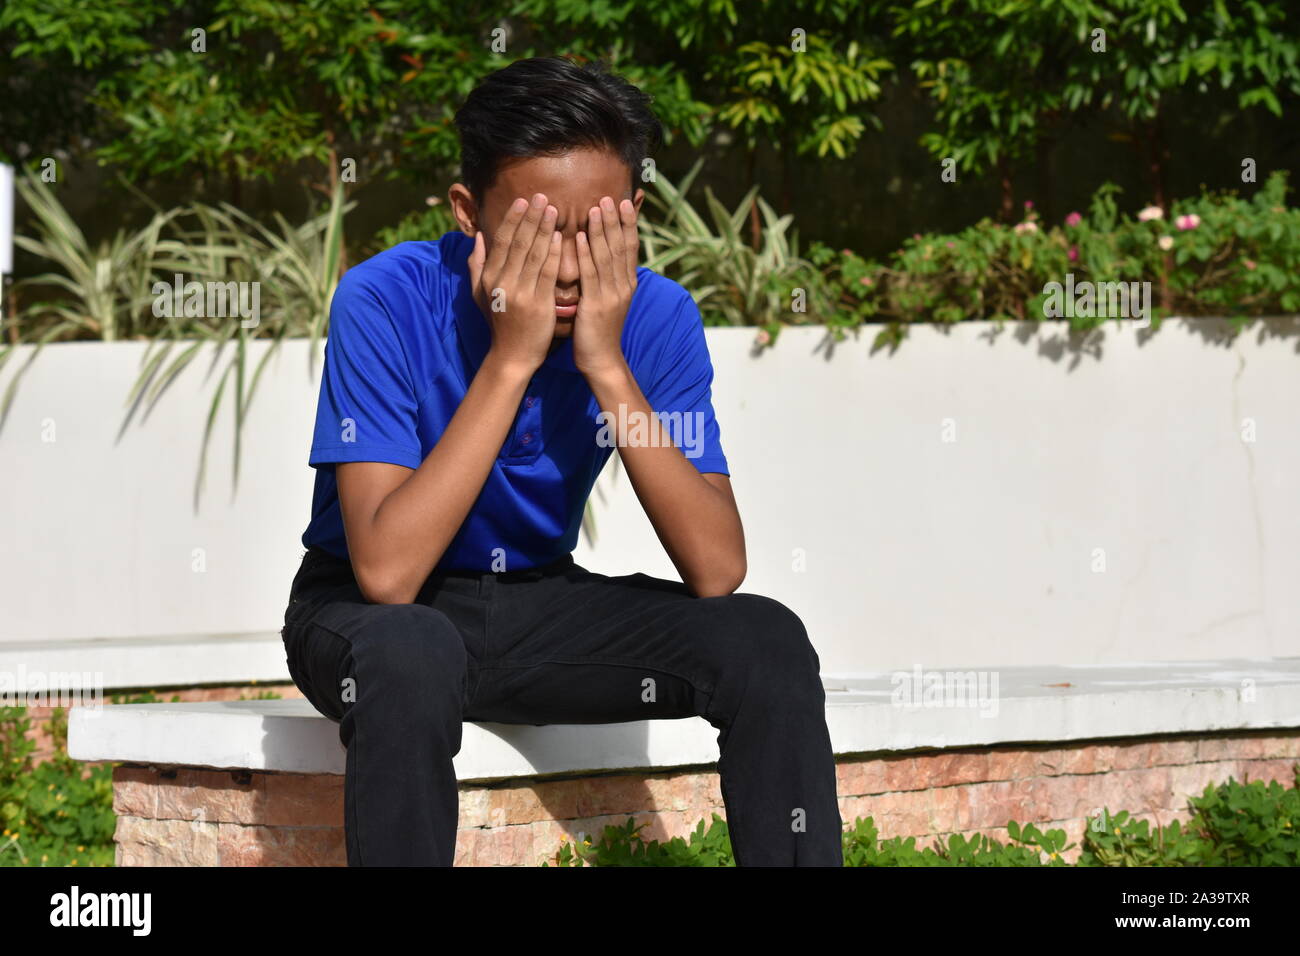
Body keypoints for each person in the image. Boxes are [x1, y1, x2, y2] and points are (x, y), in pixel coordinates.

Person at [280, 55, 842, 866]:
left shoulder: (655, 317)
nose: (573, 262)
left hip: (538, 602)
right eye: (540, 230)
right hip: (368, 618)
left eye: (597, 227)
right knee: (411, 650)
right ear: (470, 214)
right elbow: (387, 574)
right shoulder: (384, 298)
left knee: (766, 640)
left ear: (635, 213)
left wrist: (608, 366)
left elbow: (717, 567)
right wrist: (511, 360)